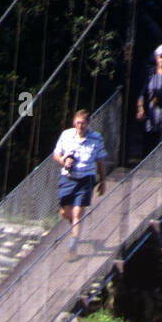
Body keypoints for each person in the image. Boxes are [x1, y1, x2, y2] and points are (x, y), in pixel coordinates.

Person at [53, 108, 108, 258]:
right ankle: (74, 226)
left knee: (77, 213)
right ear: (74, 122)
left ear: (88, 124)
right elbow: (56, 154)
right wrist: (64, 160)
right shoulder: (66, 135)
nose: (80, 126)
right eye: (78, 123)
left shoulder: (96, 138)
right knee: (65, 212)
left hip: (86, 179)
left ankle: (73, 244)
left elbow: (101, 161)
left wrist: (103, 181)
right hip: (68, 178)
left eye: (83, 124)